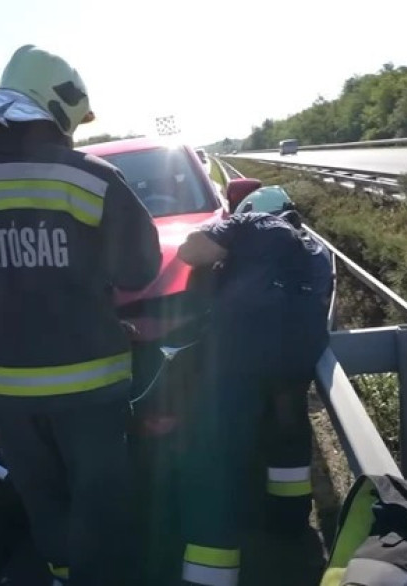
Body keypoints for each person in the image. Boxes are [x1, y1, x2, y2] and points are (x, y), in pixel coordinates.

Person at [0, 44, 162, 586]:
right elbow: (138, 270)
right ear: (59, 106)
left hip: (4, 387)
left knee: (43, 495)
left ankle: (61, 574)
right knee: (100, 499)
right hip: (88, 383)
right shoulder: (88, 178)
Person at [175, 189, 333, 586]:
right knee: (289, 442)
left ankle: (209, 574)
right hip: (294, 363)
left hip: (238, 361)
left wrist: (215, 233)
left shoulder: (249, 224)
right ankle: (289, 525)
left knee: (219, 464)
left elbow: (190, 253)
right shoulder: (317, 250)